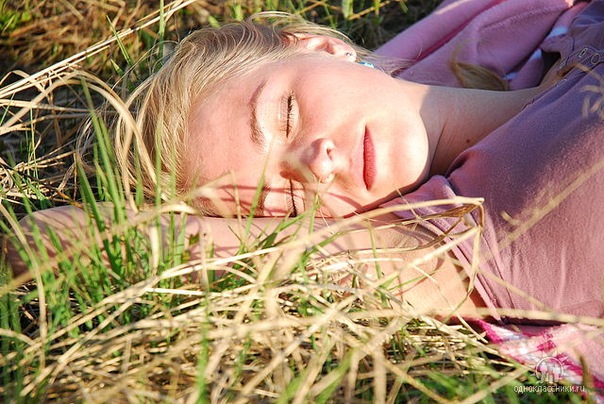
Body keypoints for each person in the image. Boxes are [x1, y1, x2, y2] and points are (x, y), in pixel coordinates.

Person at [6, 0, 604, 390]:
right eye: (290, 203)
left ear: (320, 47)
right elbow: (81, 241)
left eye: (286, 114)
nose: (317, 164)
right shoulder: (507, 223)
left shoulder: (570, 28)